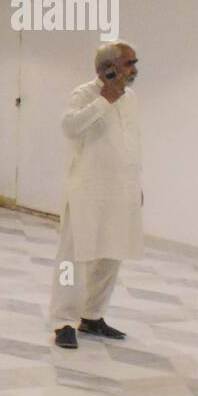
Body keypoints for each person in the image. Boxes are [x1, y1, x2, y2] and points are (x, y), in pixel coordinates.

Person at [49, 41, 142, 348]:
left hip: (122, 191)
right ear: (108, 68)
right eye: (128, 63)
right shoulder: (84, 94)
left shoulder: (132, 100)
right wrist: (104, 100)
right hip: (87, 192)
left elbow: (130, 144)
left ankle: (92, 315)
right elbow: (70, 127)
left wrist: (136, 186)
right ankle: (63, 321)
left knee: (110, 254)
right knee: (74, 257)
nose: (134, 69)